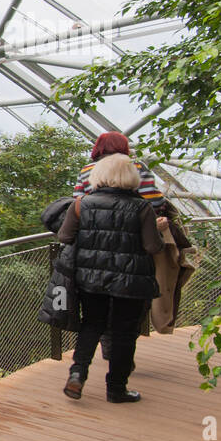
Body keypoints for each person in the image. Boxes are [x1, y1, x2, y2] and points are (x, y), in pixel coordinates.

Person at [59, 153, 168, 403]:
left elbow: (65, 237)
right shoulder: (142, 207)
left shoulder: (81, 204)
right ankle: (116, 389)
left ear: (99, 175)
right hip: (130, 282)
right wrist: (159, 233)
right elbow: (153, 247)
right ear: (131, 177)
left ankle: (77, 373)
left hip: (90, 278)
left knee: (92, 324)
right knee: (124, 332)